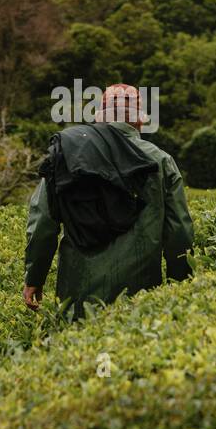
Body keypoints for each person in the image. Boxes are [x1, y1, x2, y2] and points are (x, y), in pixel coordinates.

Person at [23, 83, 194, 314]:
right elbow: (179, 232)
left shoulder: (68, 155)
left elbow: (43, 222)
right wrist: (180, 286)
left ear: (99, 118)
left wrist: (35, 277)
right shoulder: (162, 161)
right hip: (141, 300)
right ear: (140, 120)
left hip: (77, 299)